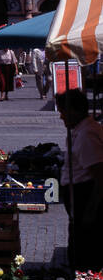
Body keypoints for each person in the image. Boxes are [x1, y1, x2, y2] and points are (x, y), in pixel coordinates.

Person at [54, 88, 103, 269]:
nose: (61, 117)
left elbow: (100, 175)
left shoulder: (86, 135)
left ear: (74, 111)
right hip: (80, 198)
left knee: (85, 252)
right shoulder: (82, 131)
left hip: (86, 197)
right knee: (80, 248)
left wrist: (90, 210)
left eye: (63, 112)